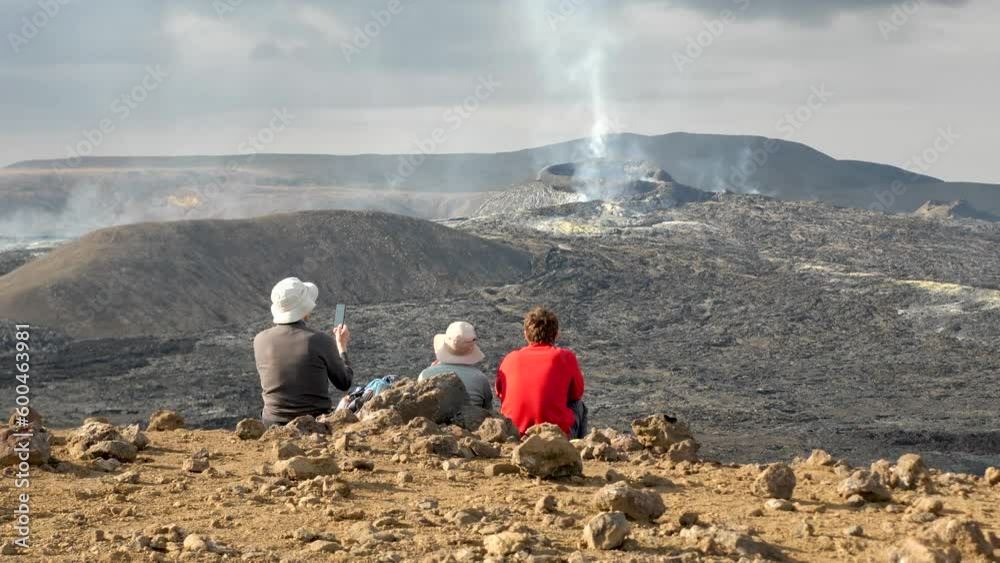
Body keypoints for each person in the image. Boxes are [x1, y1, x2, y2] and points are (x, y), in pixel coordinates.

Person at [253, 277, 353, 426]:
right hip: (313, 423)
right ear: (305, 309)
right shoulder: (319, 340)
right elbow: (344, 382)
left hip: (272, 423)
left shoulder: (259, 340)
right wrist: (341, 346)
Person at [495, 307, 588, 438]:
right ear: (556, 335)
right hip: (554, 435)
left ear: (526, 334)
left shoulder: (510, 358)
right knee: (579, 406)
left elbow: (500, 393)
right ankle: (577, 450)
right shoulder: (565, 357)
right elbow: (577, 393)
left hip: (514, 433)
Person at [418, 321, 493, 409]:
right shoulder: (480, 379)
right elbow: (488, 410)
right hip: (472, 421)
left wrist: (431, 370)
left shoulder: (425, 375)